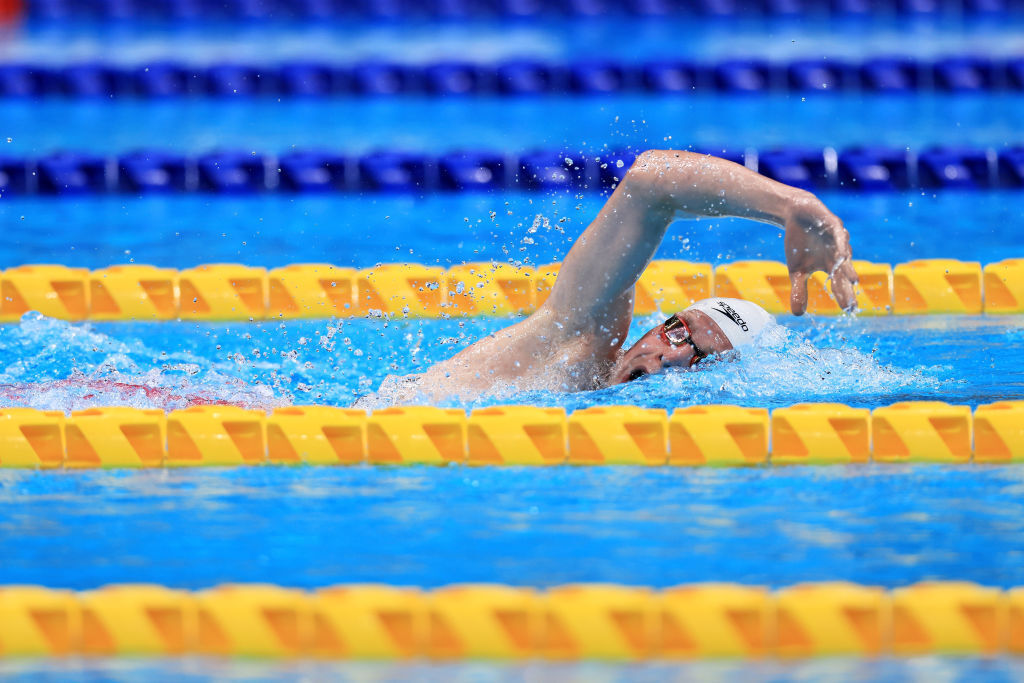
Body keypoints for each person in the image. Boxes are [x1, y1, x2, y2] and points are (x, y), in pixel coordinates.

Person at [384, 150, 856, 400]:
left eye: (701, 358)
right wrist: (789, 206)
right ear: (654, 325)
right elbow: (649, 183)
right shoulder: (582, 345)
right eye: (678, 330)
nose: (668, 357)